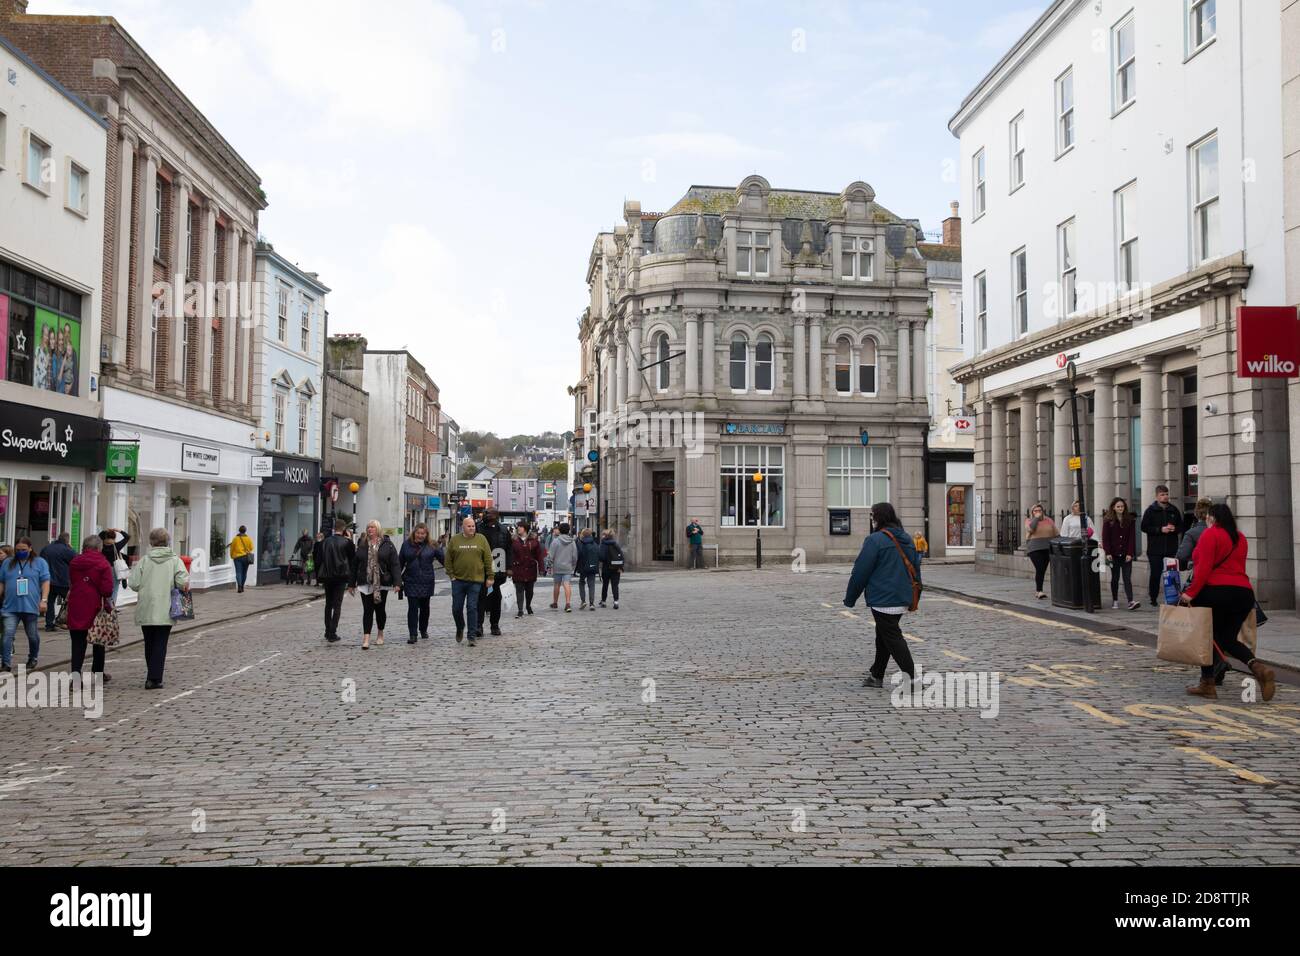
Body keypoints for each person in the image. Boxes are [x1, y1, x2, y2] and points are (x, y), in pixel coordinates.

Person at [1178, 503, 1275, 702]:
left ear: (1212, 518)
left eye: (1207, 517)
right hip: (1243, 594)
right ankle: (1258, 668)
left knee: (1206, 637)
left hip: (1216, 591)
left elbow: (1203, 569)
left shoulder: (1210, 534)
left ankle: (1207, 683)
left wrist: (1190, 593)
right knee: (1227, 639)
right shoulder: (1240, 538)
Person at [844, 503, 923, 688]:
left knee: (892, 637)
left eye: (873, 516)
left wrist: (850, 598)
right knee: (883, 636)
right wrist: (917, 593)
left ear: (878, 518)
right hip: (902, 596)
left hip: (883, 598)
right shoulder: (906, 538)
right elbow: (916, 567)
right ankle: (876, 675)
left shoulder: (875, 540)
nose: (872, 520)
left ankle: (912, 679)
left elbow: (861, 572)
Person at [126, 528, 189, 690]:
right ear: (167, 541)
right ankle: (154, 678)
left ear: (151, 542)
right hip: (166, 606)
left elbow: (133, 583)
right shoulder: (175, 560)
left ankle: (151, 675)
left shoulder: (144, 561)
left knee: (149, 642)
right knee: (160, 643)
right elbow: (183, 581)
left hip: (147, 605)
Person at [67, 534, 115, 684]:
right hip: (95, 605)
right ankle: (98, 673)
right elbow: (107, 589)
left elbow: (73, 581)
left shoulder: (75, 562)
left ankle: (75, 676)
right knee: (98, 639)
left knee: (77, 642)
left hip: (76, 604)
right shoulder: (103, 563)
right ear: (99, 548)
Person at [0, 537, 50, 672]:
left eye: (23, 550)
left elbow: (45, 582)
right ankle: (6, 663)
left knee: (32, 635)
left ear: (30, 548)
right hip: (10, 607)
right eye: (17, 550)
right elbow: (2, 582)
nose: (20, 552)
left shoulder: (40, 563)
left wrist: (43, 600)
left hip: (30, 606)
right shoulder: (8, 563)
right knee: (7, 635)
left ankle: (33, 657)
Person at [350, 520, 401, 650]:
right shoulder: (362, 544)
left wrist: (397, 582)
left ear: (377, 529)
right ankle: (366, 637)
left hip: (381, 582)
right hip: (365, 582)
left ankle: (380, 633)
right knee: (367, 610)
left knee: (380, 609)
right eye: (368, 527)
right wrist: (351, 583)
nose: (370, 529)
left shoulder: (387, 545)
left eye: (372, 527)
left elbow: (395, 564)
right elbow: (355, 564)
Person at [445, 516, 493, 646]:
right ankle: (460, 626)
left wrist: (490, 576)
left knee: (472, 607)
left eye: (473, 526)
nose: (472, 528)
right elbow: (448, 559)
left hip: (475, 580)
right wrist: (451, 576)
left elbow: (488, 559)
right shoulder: (455, 540)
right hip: (458, 581)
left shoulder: (481, 539)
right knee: (456, 608)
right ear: (463, 527)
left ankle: (471, 635)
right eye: (469, 526)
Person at [399, 523, 444, 644]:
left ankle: (423, 629)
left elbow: (444, 559)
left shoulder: (432, 545)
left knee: (425, 608)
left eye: (422, 533)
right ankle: (413, 634)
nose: (420, 536)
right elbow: (400, 562)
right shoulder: (406, 545)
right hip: (411, 580)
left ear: (426, 534)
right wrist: (397, 580)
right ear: (414, 533)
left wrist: (453, 571)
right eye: (418, 533)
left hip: (426, 580)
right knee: (412, 608)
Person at [1140, 485, 1183, 607]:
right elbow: (1144, 527)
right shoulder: (1150, 510)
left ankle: (1173, 597)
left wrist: (1175, 529)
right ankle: (1153, 597)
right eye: (1162, 494)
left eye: (1166, 494)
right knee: (1155, 574)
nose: (1165, 497)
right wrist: (1160, 529)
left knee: (1171, 574)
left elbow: (1181, 527)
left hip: (1171, 548)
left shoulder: (1174, 510)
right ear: (1157, 496)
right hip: (1155, 550)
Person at [475, 509, 512, 637]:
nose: (484, 514)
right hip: (481, 568)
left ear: (495, 516)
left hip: (499, 566)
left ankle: (494, 625)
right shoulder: (478, 528)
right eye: (484, 513)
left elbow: (509, 549)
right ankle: (478, 626)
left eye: (488, 513)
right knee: (480, 598)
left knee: (496, 599)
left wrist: (509, 567)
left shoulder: (503, 530)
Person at [317, 520, 355, 643]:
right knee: (337, 605)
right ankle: (332, 632)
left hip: (327, 576)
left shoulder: (325, 542)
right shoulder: (347, 543)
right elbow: (352, 560)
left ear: (334, 528)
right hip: (341, 577)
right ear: (344, 529)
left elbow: (319, 559)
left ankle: (327, 630)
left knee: (328, 604)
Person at [1101, 497, 1140, 611]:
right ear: (1113, 507)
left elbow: (1132, 538)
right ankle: (1115, 600)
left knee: (1127, 578)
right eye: (1118, 506)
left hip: (1125, 554)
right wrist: (1107, 552)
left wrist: (1130, 553)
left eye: (1122, 506)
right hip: (1113, 554)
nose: (1120, 508)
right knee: (1115, 578)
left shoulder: (1129, 520)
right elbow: (1105, 538)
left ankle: (1130, 601)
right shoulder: (1108, 520)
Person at [40, 532, 76, 630]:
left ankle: (49, 624)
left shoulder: (46, 549)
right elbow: (77, 560)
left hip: (48, 581)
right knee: (71, 601)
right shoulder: (66, 550)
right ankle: (66, 621)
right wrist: (71, 548)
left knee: (50, 602)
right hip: (63, 581)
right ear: (67, 540)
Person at [510, 522, 543, 618]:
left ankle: (528, 606)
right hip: (518, 569)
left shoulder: (534, 540)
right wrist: (509, 568)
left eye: (520, 527)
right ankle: (520, 610)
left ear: (525, 528)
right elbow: (511, 555)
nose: (518, 528)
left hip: (530, 569)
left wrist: (541, 568)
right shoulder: (514, 541)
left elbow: (539, 556)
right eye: (518, 527)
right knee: (519, 590)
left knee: (529, 591)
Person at [1024, 504, 1057, 600]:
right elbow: (1031, 529)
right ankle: (1039, 590)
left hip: (1047, 548)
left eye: (1039, 510)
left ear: (1043, 511)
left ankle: (1038, 591)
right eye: (1035, 511)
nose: (1038, 512)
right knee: (1040, 568)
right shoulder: (1029, 521)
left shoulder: (1049, 520)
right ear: (1032, 512)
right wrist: (1036, 518)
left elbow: (1056, 533)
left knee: (1042, 570)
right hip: (1034, 548)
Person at [548, 523, 579, 612]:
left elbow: (551, 555)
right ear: (568, 530)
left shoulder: (556, 541)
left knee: (557, 584)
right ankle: (568, 603)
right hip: (568, 566)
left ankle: (555, 602)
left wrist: (550, 564)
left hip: (557, 566)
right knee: (567, 584)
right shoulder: (572, 541)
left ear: (560, 530)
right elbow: (574, 556)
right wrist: (573, 565)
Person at [1177, 497, 1213, 573]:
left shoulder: (1191, 533)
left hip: (1199, 570)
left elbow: (1182, 555)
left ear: (1196, 513)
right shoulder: (1220, 531)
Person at [100, 527, 130, 604]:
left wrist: (105, 531)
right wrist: (118, 530)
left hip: (102, 568)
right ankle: (111, 607)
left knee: (103, 588)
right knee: (114, 589)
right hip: (114, 569)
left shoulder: (101, 546)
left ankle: (104, 606)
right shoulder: (116, 546)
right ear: (114, 537)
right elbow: (127, 537)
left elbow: (99, 536)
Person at [575, 528, 601, 611]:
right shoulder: (595, 544)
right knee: (591, 584)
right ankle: (592, 603)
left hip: (583, 567)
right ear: (590, 535)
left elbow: (577, 555)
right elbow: (599, 555)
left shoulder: (580, 543)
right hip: (592, 566)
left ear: (582, 535)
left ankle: (583, 601)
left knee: (581, 582)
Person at [599, 528, 625, 609]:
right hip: (616, 567)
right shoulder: (615, 544)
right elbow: (621, 555)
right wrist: (621, 567)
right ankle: (616, 601)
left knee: (605, 585)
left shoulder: (603, 544)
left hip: (606, 567)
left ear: (605, 536)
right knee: (615, 585)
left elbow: (601, 557)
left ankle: (603, 601)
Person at [228, 525, 255, 593]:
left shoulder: (235, 539)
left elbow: (232, 548)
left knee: (238, 572)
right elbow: (251, 548)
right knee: (244, 572)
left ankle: (239, 586)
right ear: (245, 530)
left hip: (237, 557)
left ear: (239, 530)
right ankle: (242, 586)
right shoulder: (248, 539)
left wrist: (231, 555)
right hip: (246, 557)